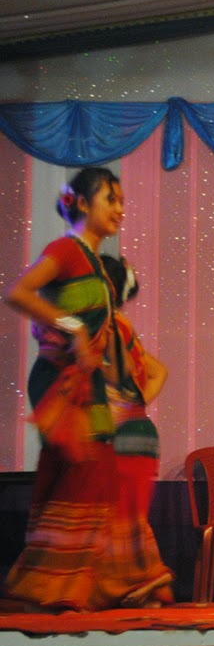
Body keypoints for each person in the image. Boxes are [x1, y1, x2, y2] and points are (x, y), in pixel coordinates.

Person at [3, 167, 158, 611]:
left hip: (87, 384)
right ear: (83, 203)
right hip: (60, 383)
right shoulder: (65, 250)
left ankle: (86, 584)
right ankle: (56, 586)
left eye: (122, 201)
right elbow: (19, 292)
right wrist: (70, 328)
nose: (120, 209)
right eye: (111, 199)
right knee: (81, 476)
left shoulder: (96, 266)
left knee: (92, 477)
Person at [99, 254, 174, 607]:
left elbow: (127, 370)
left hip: (123, 436)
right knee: (126, 517)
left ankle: (141, 585)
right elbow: (158, 371)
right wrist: (134, 401)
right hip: (136, 432)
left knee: (117, 516)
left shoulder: (110, 325)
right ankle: (143, 592)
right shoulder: (119, 325)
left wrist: (121, 404)